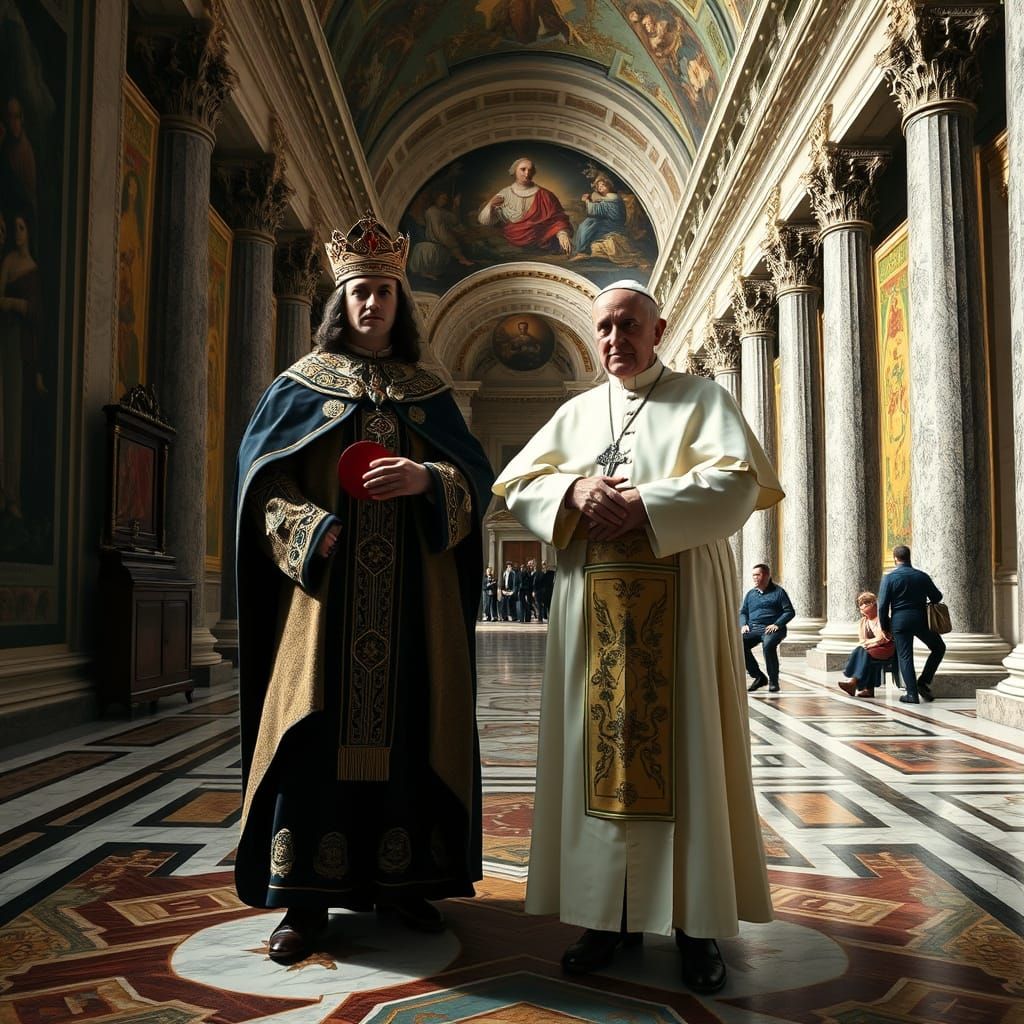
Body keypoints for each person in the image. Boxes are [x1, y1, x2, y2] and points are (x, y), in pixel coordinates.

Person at [493, 279, 783, 993]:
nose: (615, 340)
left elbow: (739, 483)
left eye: (629, 326)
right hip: (592, 621)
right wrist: (571, 492)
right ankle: (604, 917)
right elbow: (516, 485)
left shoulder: (702, 400)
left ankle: (695, 927)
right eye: (603, 328)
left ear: (659, 330)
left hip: (676, 616)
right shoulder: (578, 411)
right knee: (600, 767)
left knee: (684, 756)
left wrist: (647, 503)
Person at [233, 211, 494, 964]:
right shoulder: (299, 387)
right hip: (324, 609)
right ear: (339, 303)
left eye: (383, 291)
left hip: (411, 608)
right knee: (310, 740)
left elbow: (477, 480)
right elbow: (262, 483)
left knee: (413, 732)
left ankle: (406, 883)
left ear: (398, 301)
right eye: (359, 293)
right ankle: (303, 902)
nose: (372, 304)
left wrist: (428, 477)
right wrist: (308, 529)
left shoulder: (429, 393)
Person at [876, 544, 945, 704]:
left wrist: (885, 627)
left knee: (905, 657)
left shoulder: (889, 578)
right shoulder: (921, 576)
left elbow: (883, 606)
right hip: (921, 620)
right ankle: (924, 681)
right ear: (909, 557)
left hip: (899, 622)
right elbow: (937, 597)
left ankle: (912, 694)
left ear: (895, 559)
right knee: (939, 648)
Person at [478, 157, 573, 255]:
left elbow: (558, 218)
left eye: (530, 170)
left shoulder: (546, 195)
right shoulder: (504, 194)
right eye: (523, 169)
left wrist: (562, 234)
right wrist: (490, 206)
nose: (527, 173)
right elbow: (485, 221)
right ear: (514, 171)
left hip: (542, 242)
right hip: (510, 240)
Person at [740, 564, 795, 694]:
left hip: (773, 629)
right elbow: (743, 612)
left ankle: (774, 681)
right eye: (753, 575)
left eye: (757, 575)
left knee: (768, 645)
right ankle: (759, 677)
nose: (754, 578)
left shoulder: (778, 592)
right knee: (739, 644)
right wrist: (744, 624)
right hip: (753, 628)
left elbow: (789, 611)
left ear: (766, 576)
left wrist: (777, 624)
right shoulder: (750, 594)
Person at [837, 591, 896, 699]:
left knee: (863, 652)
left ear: (874, 605)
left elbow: (882, 639)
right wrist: (868, 644)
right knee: (861, 651)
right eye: (861, 604)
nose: (862, 606)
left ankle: (854, 683)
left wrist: (868, 643)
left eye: (866, 603)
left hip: (886, 648)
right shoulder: (863, 622)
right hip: (871, 649)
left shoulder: (881, 619)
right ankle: (864, 688)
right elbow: (862, 640)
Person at [571, 175, 626, 258]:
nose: (600, 187)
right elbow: (599, 209)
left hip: (614, 224)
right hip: (607, 221)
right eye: (598, 186)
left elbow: (597, 210)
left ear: (608, 185)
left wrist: (587, 201)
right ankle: (578, 250)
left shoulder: (612, 196)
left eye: (602, 185)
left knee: (590, 224)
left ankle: (581, 251)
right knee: (587, 223)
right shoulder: (604, 198)